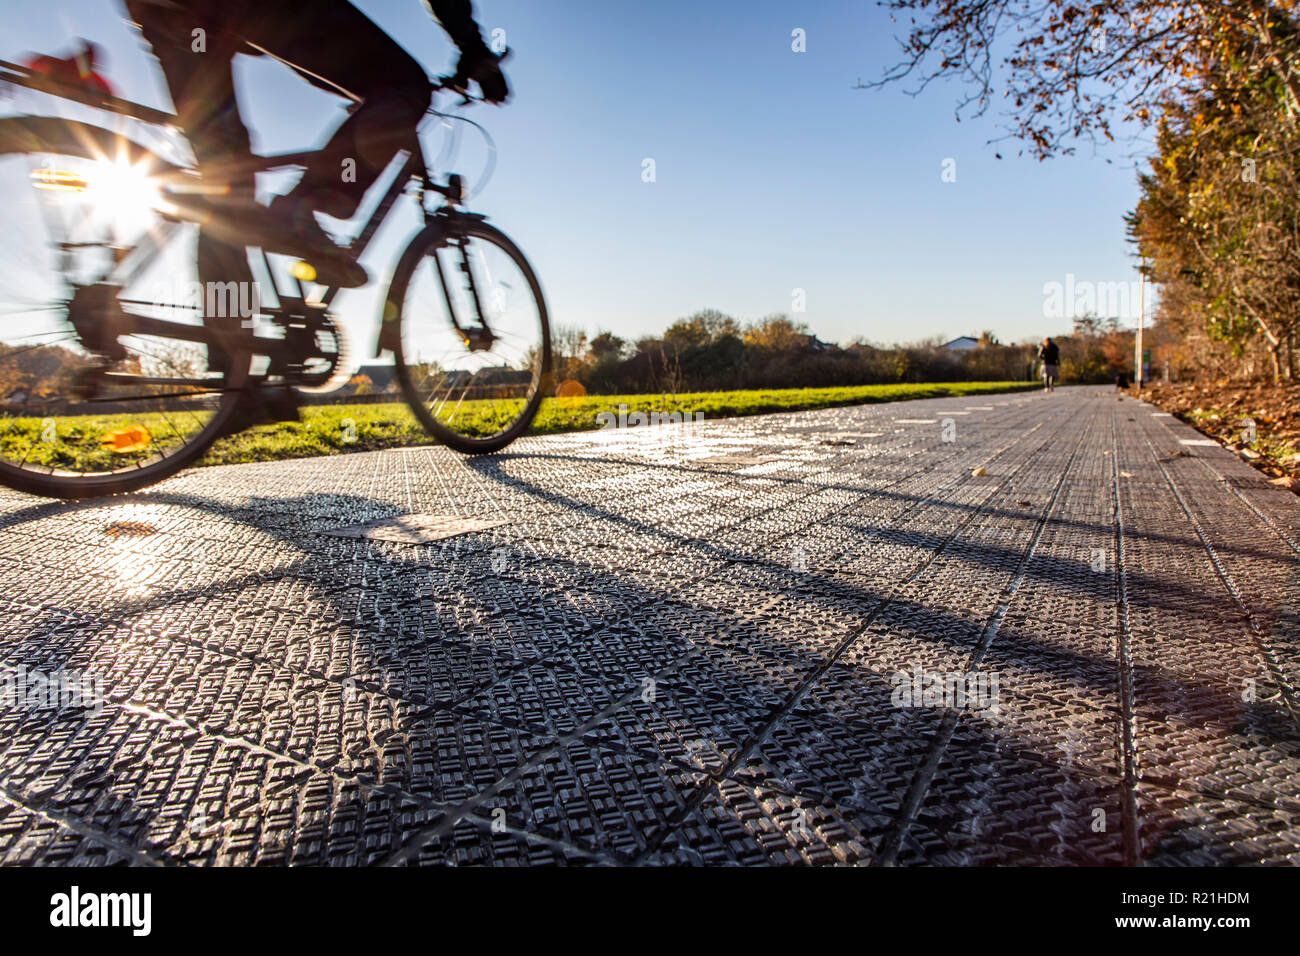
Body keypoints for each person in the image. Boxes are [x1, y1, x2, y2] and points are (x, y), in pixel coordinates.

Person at [121, 0, 509, 288]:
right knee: (402, 86)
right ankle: (303, 208)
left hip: (166, 14)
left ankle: (235, 371)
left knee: (226, 181)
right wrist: (473, 48)